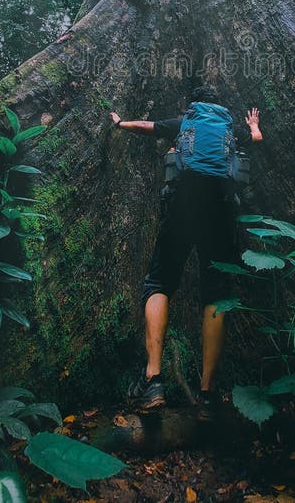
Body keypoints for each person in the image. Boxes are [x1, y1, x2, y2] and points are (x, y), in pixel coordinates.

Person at [109, 85, 263, 412]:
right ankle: (207, 395)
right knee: (216, 294)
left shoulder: (185, 122)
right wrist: (253, 126)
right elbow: (256, 140)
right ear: (219, 105)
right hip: (220, 210)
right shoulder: (230, 130)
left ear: (194, 103)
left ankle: (153, 380)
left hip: (183, 205)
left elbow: (147, 127)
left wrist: (120, 123)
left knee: (159, 283)